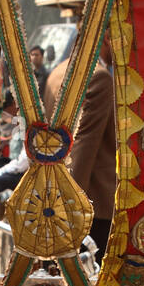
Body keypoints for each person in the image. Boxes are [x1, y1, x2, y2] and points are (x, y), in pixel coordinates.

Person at [44, 28, 117, 254]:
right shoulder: (99, 77)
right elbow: (83, 147)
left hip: (57, 195)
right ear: (107, 36)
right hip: (90, 207)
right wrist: (70, 213)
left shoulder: (58, 71)